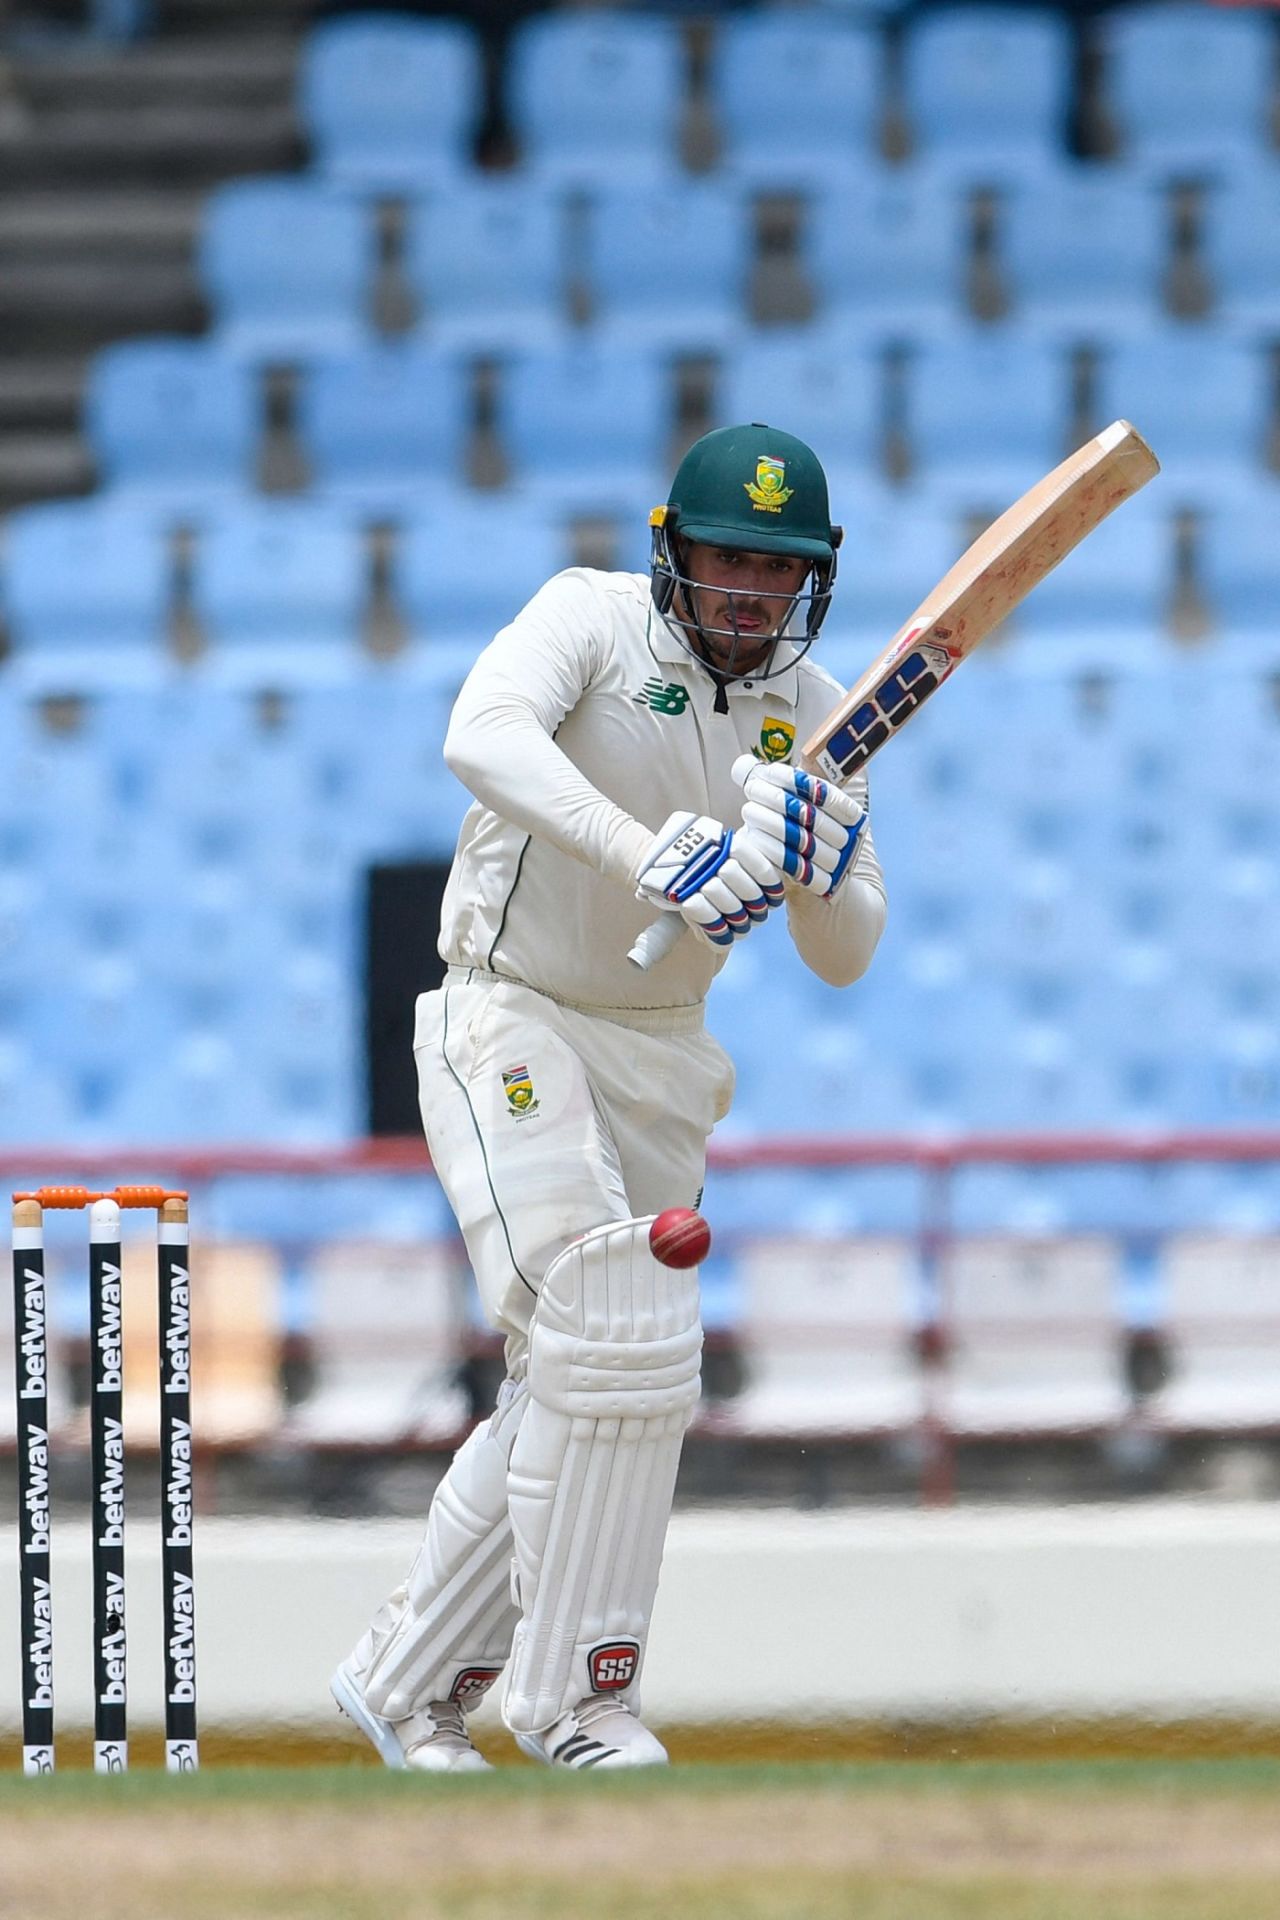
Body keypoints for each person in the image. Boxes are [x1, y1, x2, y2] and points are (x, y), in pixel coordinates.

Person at [331, 422, 887, 1770]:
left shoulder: (813, 711)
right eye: (727, 559)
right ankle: (577, 1703)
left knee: (600, 1371)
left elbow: (848, 950)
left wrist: (822, 867)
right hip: (511, 1009)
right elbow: (482, 736)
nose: (752, 592)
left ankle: (403, 1681)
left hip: (666, 1050)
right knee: (594, 1316)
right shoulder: (584, 617)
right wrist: (654, 860)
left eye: (781, 568)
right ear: (672, 552)